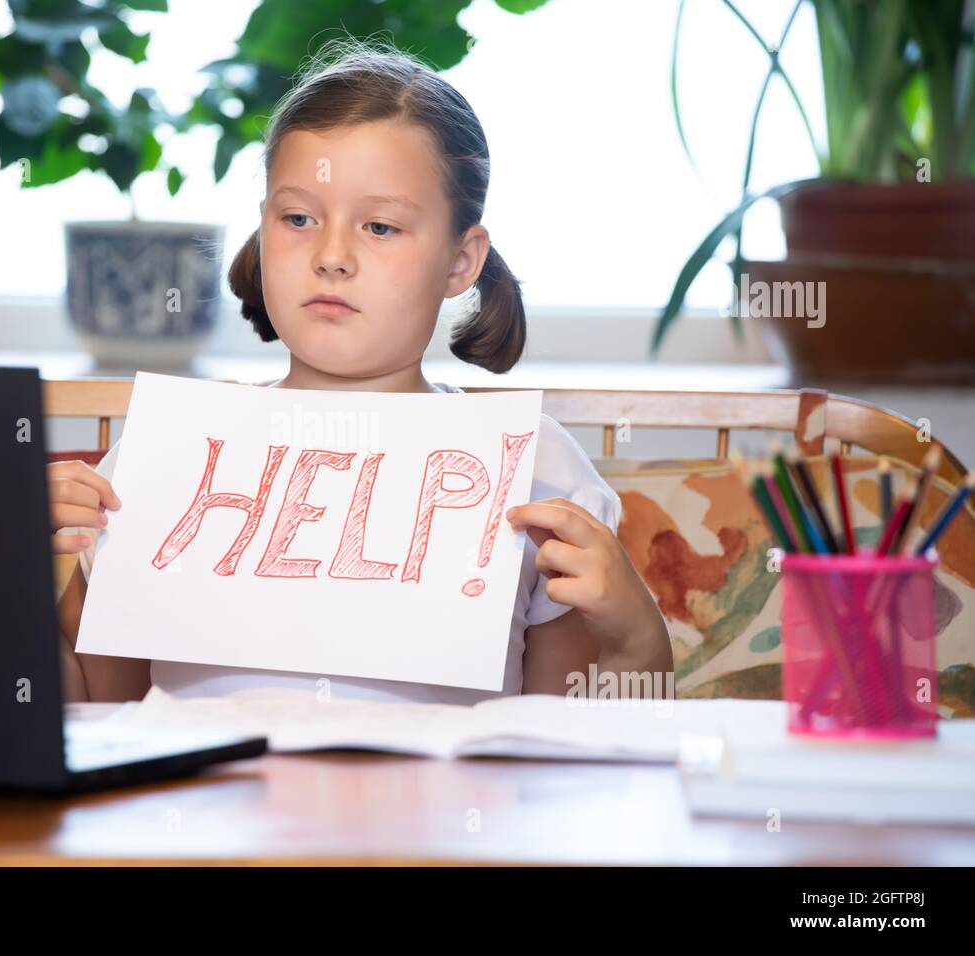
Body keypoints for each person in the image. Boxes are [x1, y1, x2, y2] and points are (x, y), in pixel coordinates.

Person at [48, 40, 672, 704]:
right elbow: (91, 711)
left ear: (461, 261)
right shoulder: (163, 459)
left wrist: (638, 640)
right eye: (297, 219)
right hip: (214, 807)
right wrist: (14, 576)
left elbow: (565, 752)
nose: (333, 256)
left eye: (379, 226)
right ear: (262, 234)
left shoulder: (537, 470)